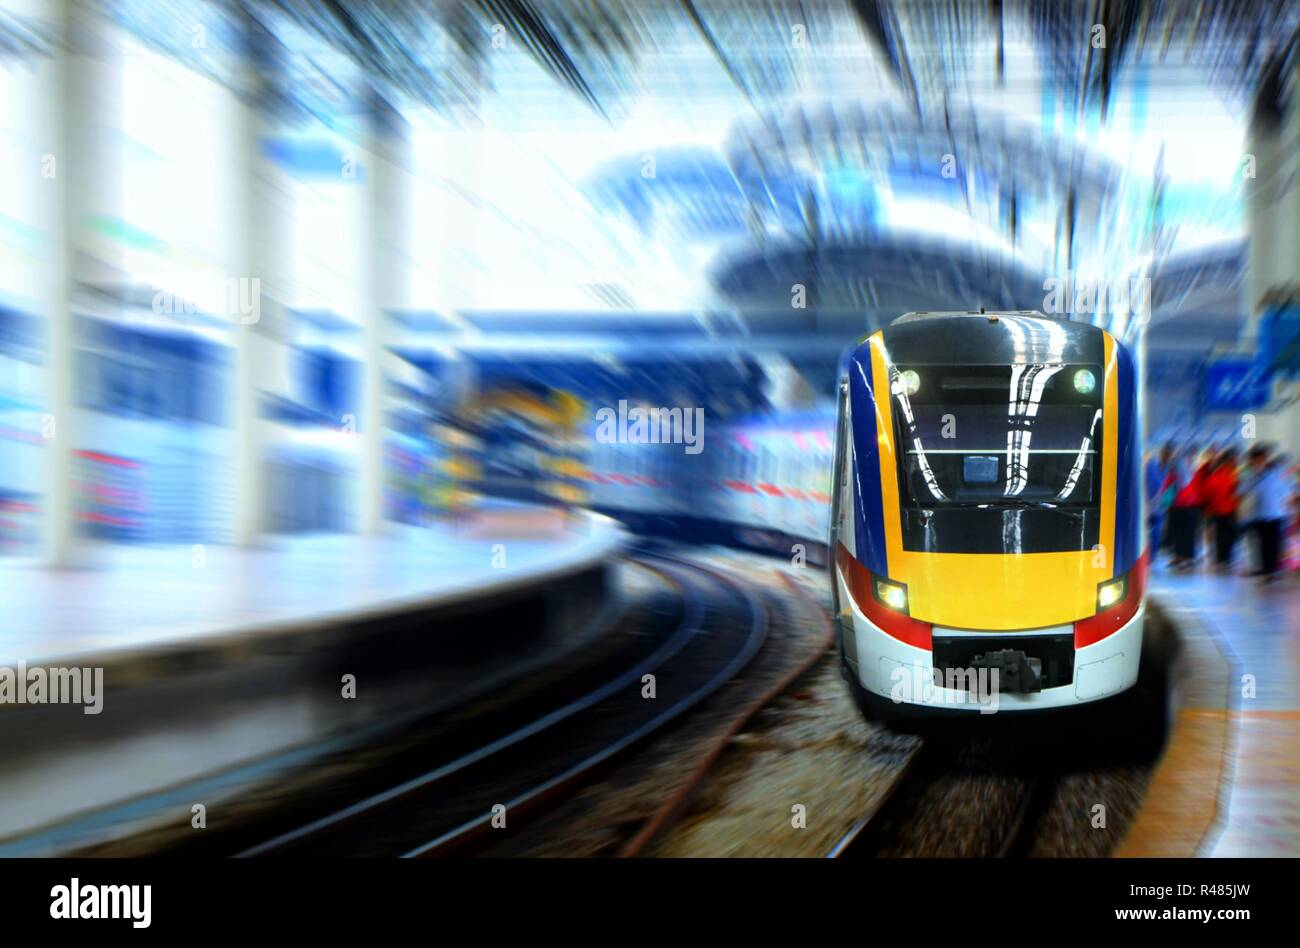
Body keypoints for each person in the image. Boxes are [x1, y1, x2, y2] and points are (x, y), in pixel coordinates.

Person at [1246, 445, 1293, 584]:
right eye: (1257, 459)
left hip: (1276, 514)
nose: (1260, 461)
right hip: (1259, 515)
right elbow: (1243, 491)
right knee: (1262, 544)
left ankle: (1273, 571)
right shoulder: (1251, 475)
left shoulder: (1277, 473)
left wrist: (1287, 508)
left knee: (1274, 544)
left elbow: (1287, 491)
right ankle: (1267, 571)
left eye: (1263, 458)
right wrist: (1254, 476)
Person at [1166, 449, 1203, 570]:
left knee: (1187, 533)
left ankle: (1187, 557)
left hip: (1189, 506)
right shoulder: (1175, 474)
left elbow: (1198, 490)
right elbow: (1167, 488)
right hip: (1178, 506)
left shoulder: (1193, 473)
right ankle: (1179, 556)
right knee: (1179, 533)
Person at [1204, 447, 1240, 568]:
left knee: (1221, 534)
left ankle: (1222, 557)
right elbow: (1235, 491)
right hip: (1228, 509)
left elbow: (1208, 493)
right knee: (1228, 534)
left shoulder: (1217, 476)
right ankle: (1226, 557)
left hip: (1218, 510)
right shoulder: (1230, 475)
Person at [1145, 444, 1175, 558]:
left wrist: (1167, 503)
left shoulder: (1169, 469)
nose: (1167, 457)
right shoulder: (1151, 465)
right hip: (1147, 505)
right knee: (1147, 531)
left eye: (1169, 455)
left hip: (1159, 507)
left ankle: (1151, 556)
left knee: (1156, 531)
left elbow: (1171, 487)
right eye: (1166, 454)